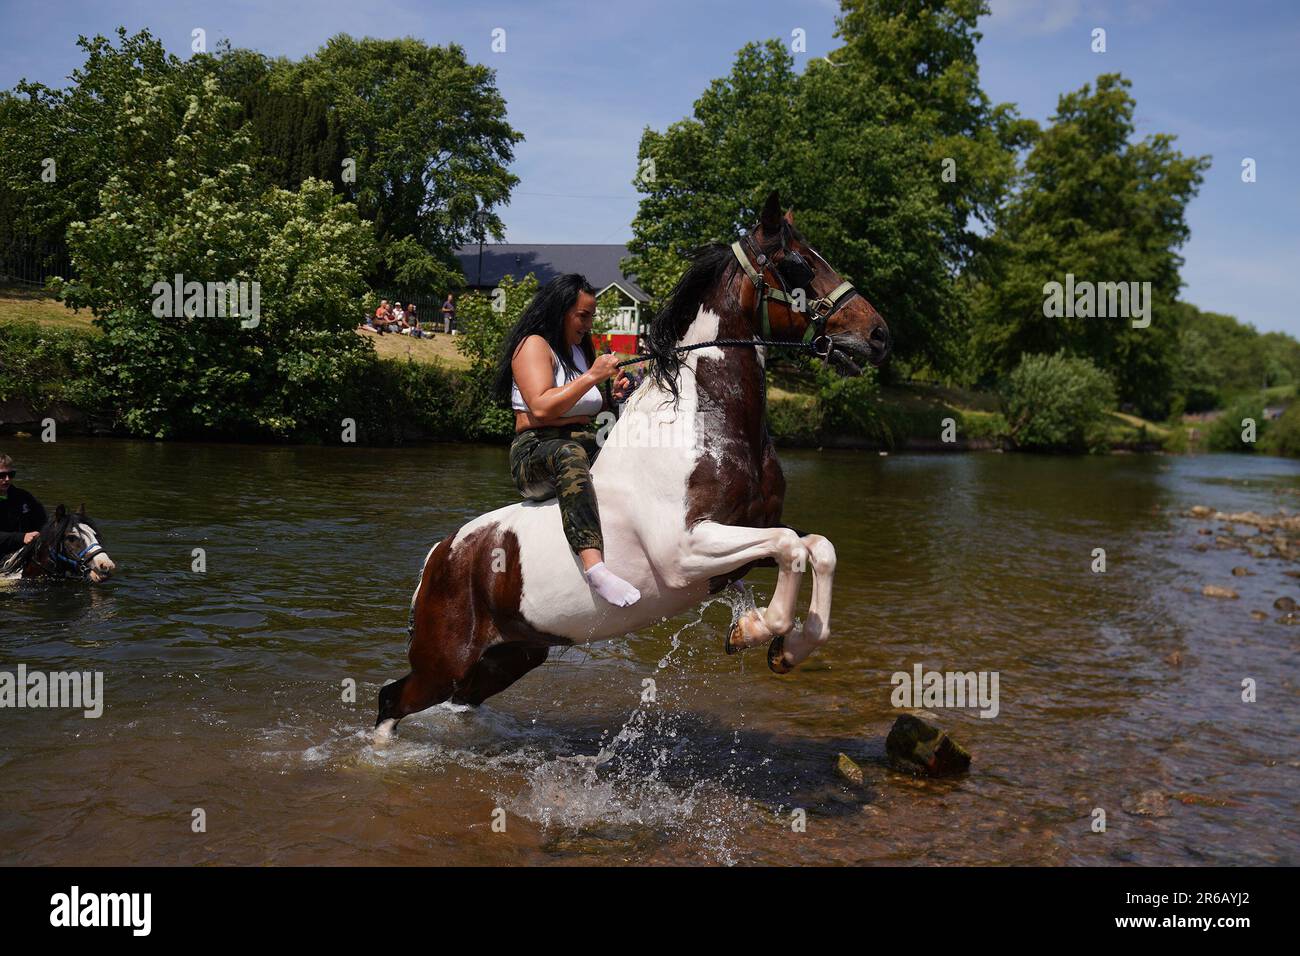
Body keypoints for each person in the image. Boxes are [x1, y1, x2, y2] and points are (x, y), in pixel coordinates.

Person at [493, 274, 639, 606]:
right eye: (583, 315)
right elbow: (542, 408)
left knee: (634, 452)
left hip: (579, 439)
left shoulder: (578, 350)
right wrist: (592, 377)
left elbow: (583, 407)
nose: (589, 323)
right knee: (569, 453)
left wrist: (612, 396)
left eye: (592, 315)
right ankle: (595, 568)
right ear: (561, 310)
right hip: (535, 452)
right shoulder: (533, 345)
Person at [0, 452, 47, 560]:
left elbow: (42, 521)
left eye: (11, 475)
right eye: (1, 475)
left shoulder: (24, 497)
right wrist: (22, 537)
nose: (7, 479)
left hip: (24, 554)